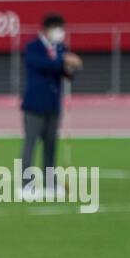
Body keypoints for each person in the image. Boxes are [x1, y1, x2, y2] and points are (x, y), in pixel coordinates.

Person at [21, 13, 83, 196]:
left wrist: (73, 67)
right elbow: (42, 65)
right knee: (30, 145)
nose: (60, 33)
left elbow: (66, 72)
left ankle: (51, 184)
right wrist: (63, 61)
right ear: (46, 30)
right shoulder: (33, 47)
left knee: (51, 146)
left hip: (53, 105)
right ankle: (26, 184)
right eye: (57, 29)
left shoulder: (61, 48)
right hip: (34, 105)